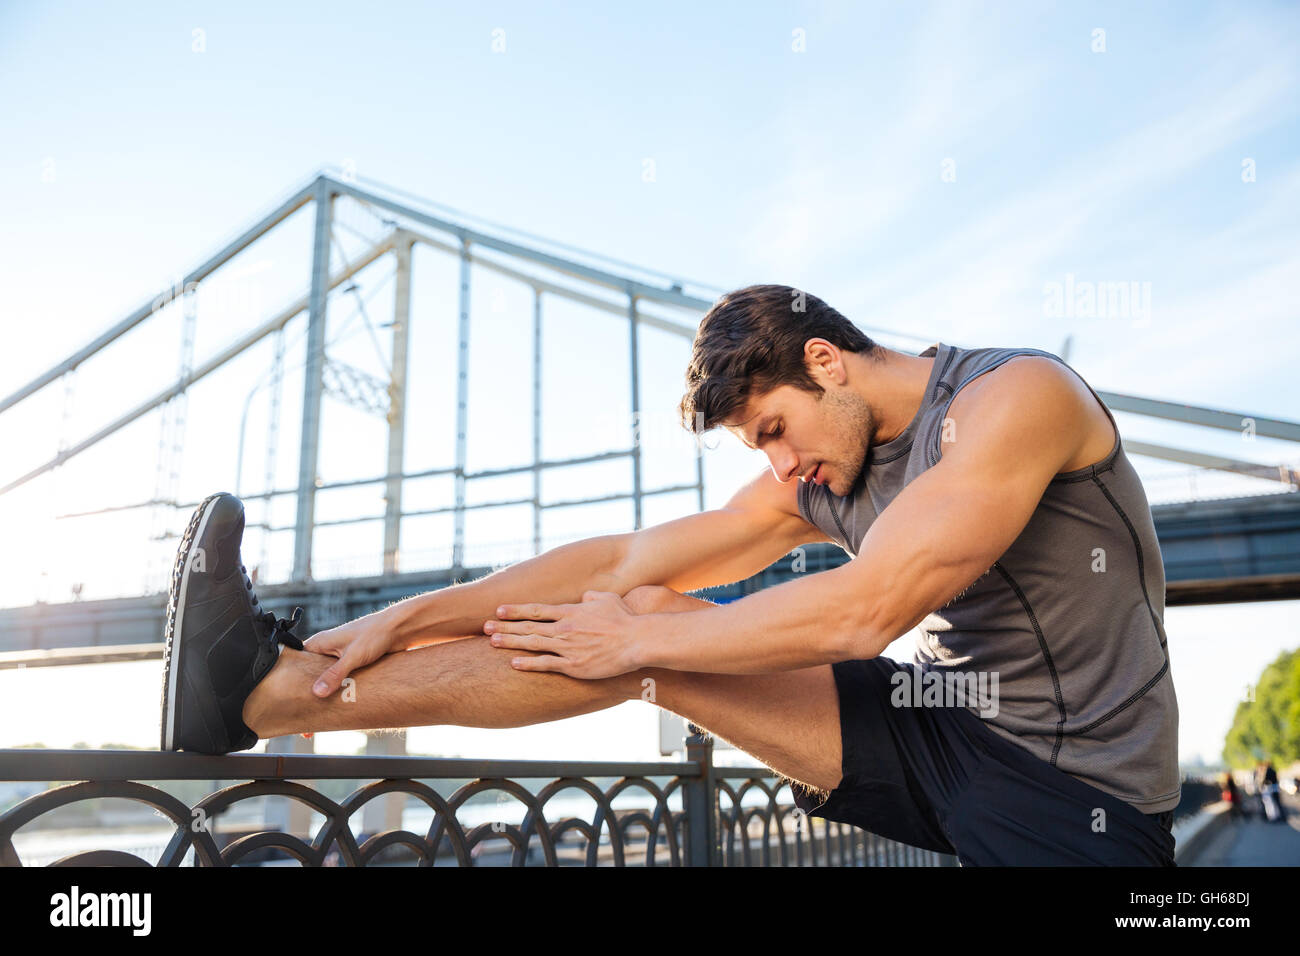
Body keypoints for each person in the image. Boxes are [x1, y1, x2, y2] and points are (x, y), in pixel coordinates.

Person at [159, 284, 1180, 866]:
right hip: (937, 723)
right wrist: (418, 612)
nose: (778, 467)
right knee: (632, 610)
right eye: (756, 448)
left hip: (1078, 795)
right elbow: (621, 563)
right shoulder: (816, 476)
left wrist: (640, 640)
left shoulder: (1015, 398)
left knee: (639, 633)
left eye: (774, 428)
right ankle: (266, 690)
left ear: (827, 358)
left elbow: (870, 606)